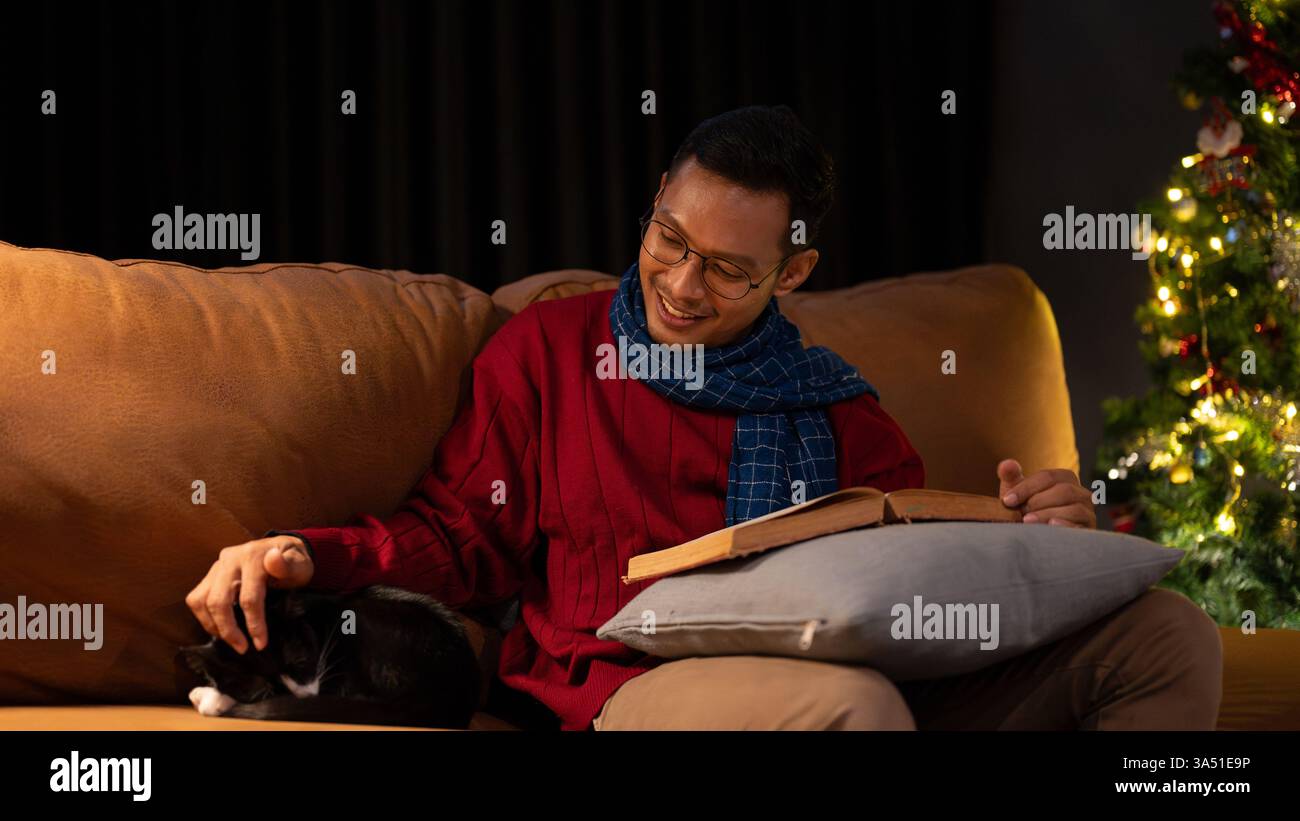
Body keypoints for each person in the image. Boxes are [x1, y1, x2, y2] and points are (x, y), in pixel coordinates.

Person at [186, 105, 1222, 731]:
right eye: (668, 238)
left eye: (726, 268)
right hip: (628, 683)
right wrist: (300, 551)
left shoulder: (838, 406)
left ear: (794, 270)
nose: (680, 284)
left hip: (870, 671)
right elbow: (463, 534)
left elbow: (924, 572)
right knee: (852, 713)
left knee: (1167, 636)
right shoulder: (550, 351)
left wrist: (1041, 535)